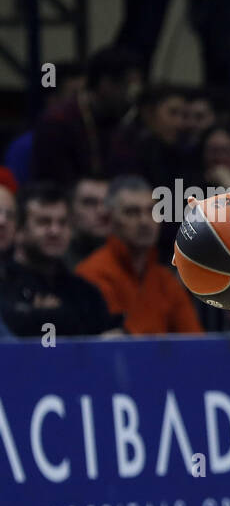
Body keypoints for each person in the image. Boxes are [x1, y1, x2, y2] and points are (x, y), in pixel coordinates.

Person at [74, 175, 203, 336]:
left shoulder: (166, 282)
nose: (144, 221)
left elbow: (195, 343)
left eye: (151, 211)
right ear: (110, 219)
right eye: (131, 212)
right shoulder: (90, 275)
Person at [0, 182, 120, 338]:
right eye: (44, 222)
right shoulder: (4, 285)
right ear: (20, 230)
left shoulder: (86, 292)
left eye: (63, 223)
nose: (55, 231)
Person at [31, 47, 142, 185]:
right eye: (127, 86)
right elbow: (56, 182)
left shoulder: (121, 120)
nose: (130, 97)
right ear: (105, 83)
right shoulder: (57, 122)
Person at [66, 176, 111, 265]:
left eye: (108, 202)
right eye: (90, 203)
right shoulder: (54, 263)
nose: (102, 211)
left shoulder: (134, 259)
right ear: (70, 211)